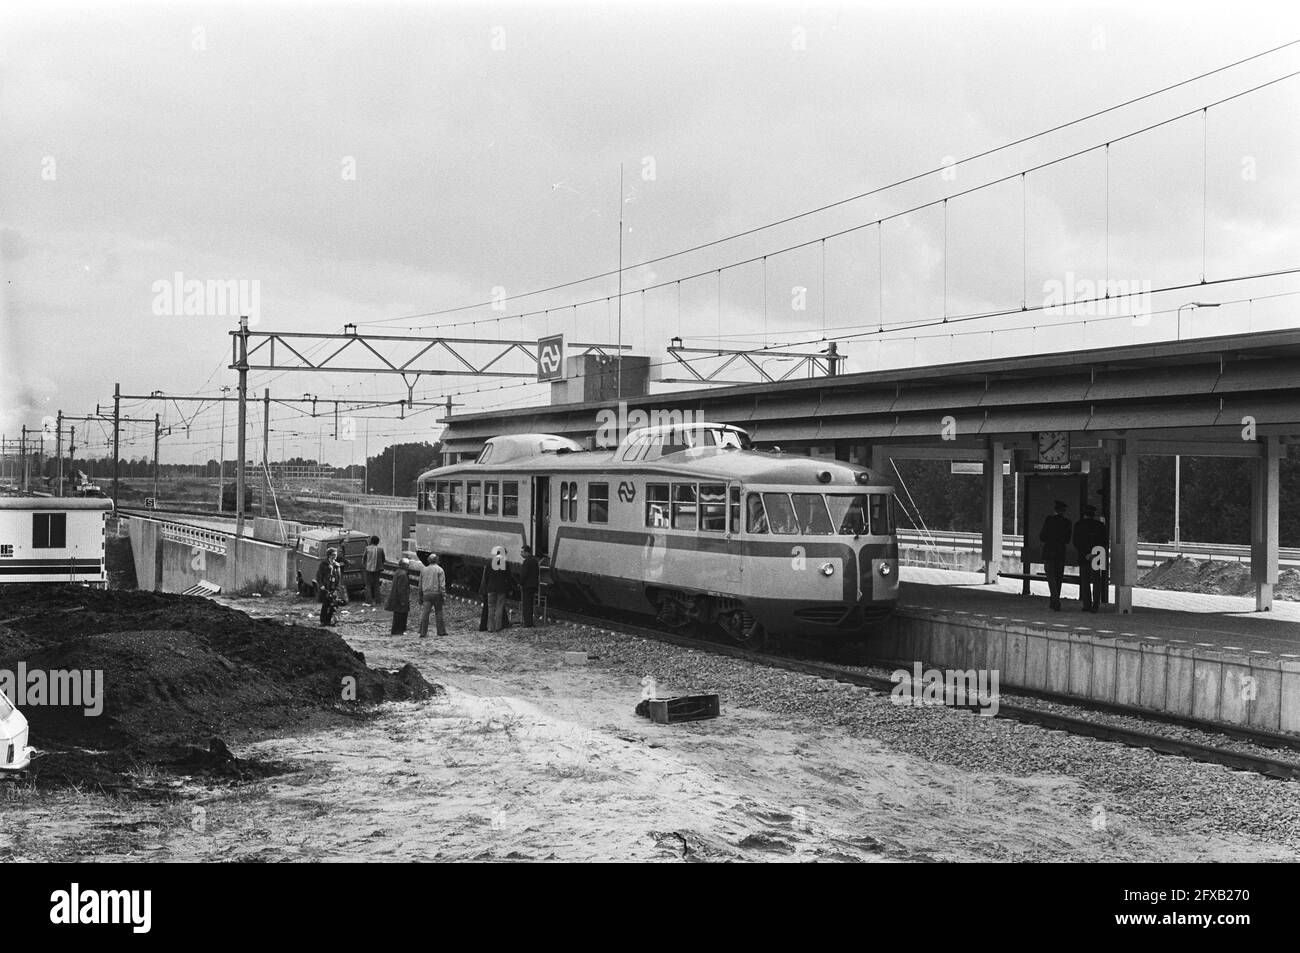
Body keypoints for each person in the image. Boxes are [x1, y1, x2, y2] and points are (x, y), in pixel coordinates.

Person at [1072, 505, 1108, 612]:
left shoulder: (1078, 525)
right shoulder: (1100, 525)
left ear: (1084, 514)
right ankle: (1095, 605)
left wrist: (1086, 554)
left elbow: (1076, 542)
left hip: (1084, 557)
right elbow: (1104, 542)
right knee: (1096, 581)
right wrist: (1094, 554)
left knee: (1085, 581)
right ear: (1094, 514)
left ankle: (1086, 605)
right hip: (1097, 556)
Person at [1038, 500, 1073, 611]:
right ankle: (1054, 601)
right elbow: (1067, 540)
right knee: (1058, 578)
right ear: (1064, 511)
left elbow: (1042, 536)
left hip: (1048, 552)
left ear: (1055, 510)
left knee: (1051, 578)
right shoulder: (1068, 522)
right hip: (1060, 553)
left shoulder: (1049, 520)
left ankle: (1055, 601)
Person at [418, 554, 448, 638]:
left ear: (428, 560)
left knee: (425, 613)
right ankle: (441, 631)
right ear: (437, 560)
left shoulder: (423, 570)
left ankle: (423, 632)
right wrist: (444, 595)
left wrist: (420, 596)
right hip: (437, 594)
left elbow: (420, 585)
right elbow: (442, 585)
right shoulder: (440, 570)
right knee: (439, 612)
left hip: (426, 594)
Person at [484, 552, 511, 632]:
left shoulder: (489, 562)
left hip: (491, 588)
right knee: (499, 607)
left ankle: (490, 627)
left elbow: (486, 576)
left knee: (491, 608)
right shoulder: (505, 563)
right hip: (501, 589)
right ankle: (498, 627)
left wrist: (488, 585)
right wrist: (508, 588)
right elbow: (508, 576)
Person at [315, 548, 342, 626]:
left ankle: (329, 620)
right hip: (325, 588)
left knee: (333, 605)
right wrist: (321, 585)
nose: (335, 556)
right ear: (329, 555)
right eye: (333, 555)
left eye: (336, 555)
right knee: (325, 604)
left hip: (333, 588)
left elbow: (339, 578)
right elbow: (319, 576)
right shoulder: (323, 564)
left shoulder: (337, 565)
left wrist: (337, 588)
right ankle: (323, 621)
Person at [386, 557, 412, 634]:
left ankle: (397, 630)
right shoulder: (403, 574)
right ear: (404, 565)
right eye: (407, 565)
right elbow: (401, 588)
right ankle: (399, 631)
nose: (408, 566)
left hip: (396, 597)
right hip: (400, 598)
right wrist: (403, 600)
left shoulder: (398, 572)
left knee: (397, 614)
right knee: (401, 615)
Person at [519, 544, 541, 627]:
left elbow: (524, 574)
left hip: (527, 586)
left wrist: (520, 582)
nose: (521, 554)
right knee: (531, 604)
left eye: (522, 552)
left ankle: (527, 623)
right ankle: (530, 622)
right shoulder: (535, 561)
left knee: (526, 604)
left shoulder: (526, 562)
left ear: (527, 552)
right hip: (533, 585)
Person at [363, 535, 386, 604]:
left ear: (371, 541)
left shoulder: (367, 548)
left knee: (368, 585)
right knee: (376, 585)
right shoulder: (380, 549)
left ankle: (369, 601)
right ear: (378, 542)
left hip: (368, 569)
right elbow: (383, 559)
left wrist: (365, 566)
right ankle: (378, 601)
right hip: (377, 569)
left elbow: (363, 558)